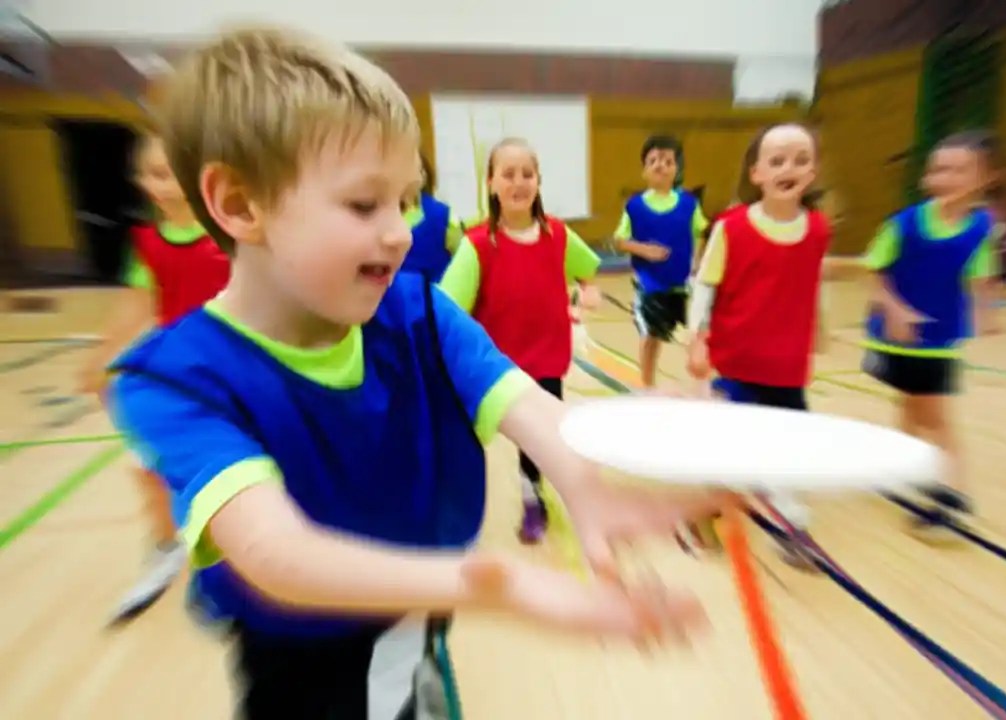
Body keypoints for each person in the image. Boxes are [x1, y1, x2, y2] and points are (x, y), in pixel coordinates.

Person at [107, 26, 730, 718]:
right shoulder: (178, 380)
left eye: (405, 200)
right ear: (241, 204)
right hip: (307, 676)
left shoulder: (420, 314)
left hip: (419, 627)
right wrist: (495, 586)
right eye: (363, 203)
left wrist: (589, 480)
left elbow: (537, 412)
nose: (402, 230)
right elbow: (277, 554)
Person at [78, 129, 230, 624]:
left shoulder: (229, 234)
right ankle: (167, 547)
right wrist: (102, 355)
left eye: (173, 173)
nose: (163, 186)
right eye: (153, 175)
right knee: (148, 470)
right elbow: (137, 302)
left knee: (235, 470)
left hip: (231, 369)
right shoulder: (146, 243)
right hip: (175, 373)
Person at [438, 137, 603, 545]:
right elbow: (448, 308)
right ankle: (452, 508)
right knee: (472, 437)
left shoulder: (559, 236)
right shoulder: (477, 245)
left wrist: (589, 290)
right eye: (508, 174)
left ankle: (534, 496)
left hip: (546, 358)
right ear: (491, 183)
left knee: (540, 437)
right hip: (497, 368)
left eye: (527, 174)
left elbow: (588, 271)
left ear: (538, 182)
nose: (518, 182)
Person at [685, 123, 831, 569]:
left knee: (790, 451)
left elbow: (813, 280)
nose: (790, 168)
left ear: (813, 171)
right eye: (778, 160)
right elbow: (705, 286)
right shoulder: (732, 229)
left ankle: (793, 525)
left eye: (801, 159)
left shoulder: (818, 230)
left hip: (788, 366)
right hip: (736, 362)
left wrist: (821, 322)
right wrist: (696, 340)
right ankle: (699, 515)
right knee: (729, 454)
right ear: (757, 173)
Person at [858, 130, 1001, 543]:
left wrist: (986, 310)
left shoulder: (980, 230)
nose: (948, 176)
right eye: (940, 168)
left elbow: (980, 273)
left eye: (960, 169)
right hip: (892, 337)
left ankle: (953, 496)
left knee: (937, 417)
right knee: (909, 404)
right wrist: (895, 308)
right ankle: (899, 465)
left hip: (938, 341)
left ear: (983, 178)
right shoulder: (902, 225)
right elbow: (873, 270)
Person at [612, 135, 710, 388]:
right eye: (653, 160)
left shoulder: (689, 204)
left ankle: (698, 384)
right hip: (649, 284)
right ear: (644, 170)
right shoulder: (635, 206)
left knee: (693, 336)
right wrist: (644, 250)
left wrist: (699, 263)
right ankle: (646, 385)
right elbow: (620, 240)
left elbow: (702, 233)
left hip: (682, 284)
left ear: (676, 169)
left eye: (667, 161)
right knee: (650, 337)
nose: (660, 165)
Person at [401, 153, 466, 284]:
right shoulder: (378, 217)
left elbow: (462, 263)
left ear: (424, 176)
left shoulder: (445, 217)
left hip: (433, 298)